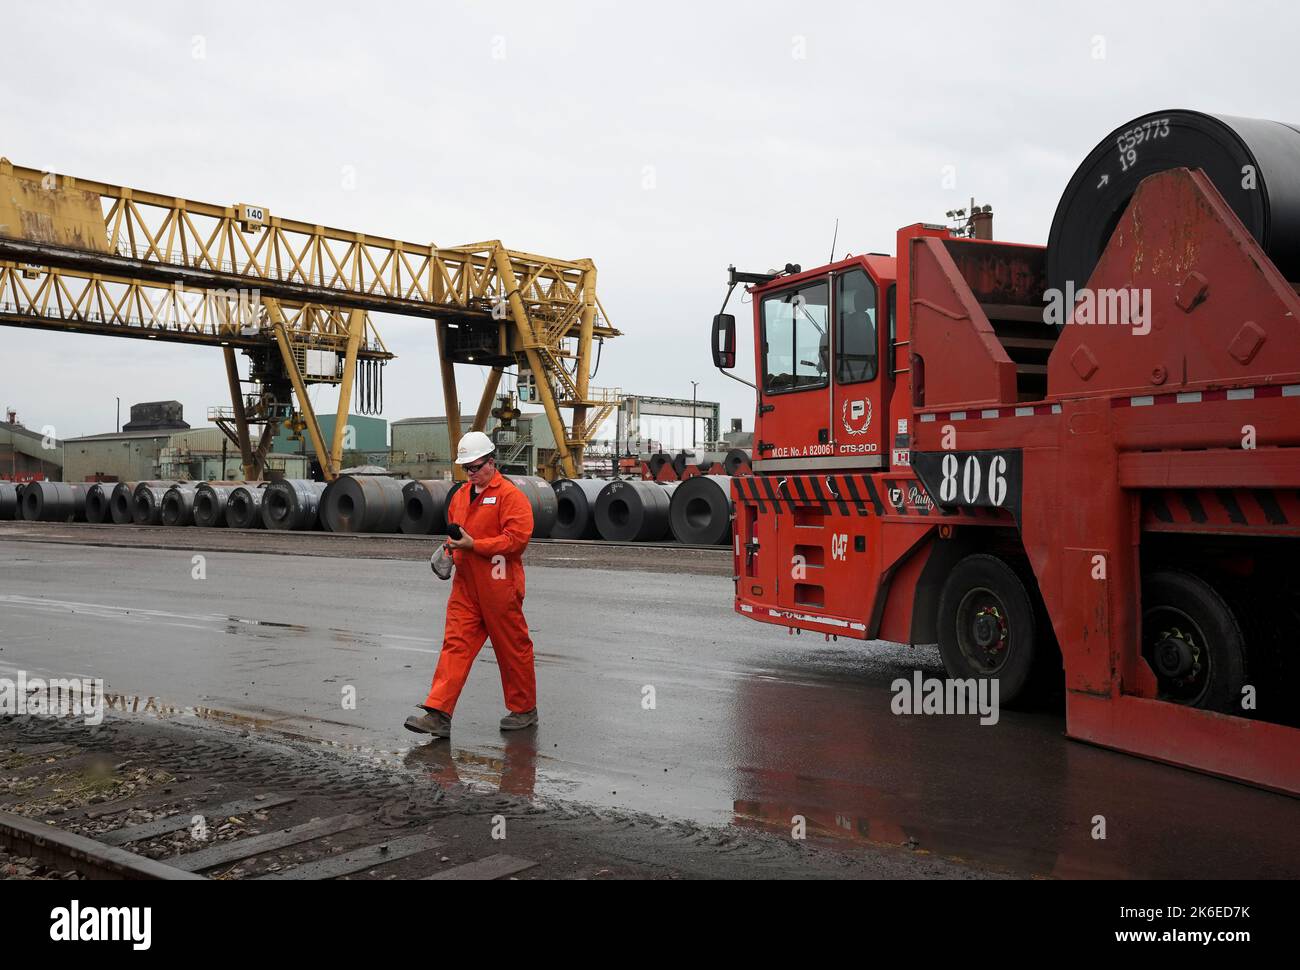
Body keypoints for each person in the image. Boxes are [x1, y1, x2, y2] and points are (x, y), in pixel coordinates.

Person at [404, 431, 539, 739]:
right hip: (467, 586)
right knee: (455, 646)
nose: (471, 473)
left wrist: (474, 545)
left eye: (475, 467)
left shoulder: (510, 496)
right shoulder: (461, 496)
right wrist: (449, 549)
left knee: (512, 650)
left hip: (499, 585)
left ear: (492, 462)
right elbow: (458, 533)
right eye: (466, 468)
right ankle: (438, 713)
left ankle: (524, 710)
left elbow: (516, 541)